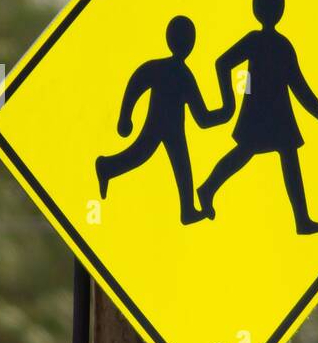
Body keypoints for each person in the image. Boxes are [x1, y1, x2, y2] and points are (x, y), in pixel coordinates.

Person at [197, 0, 318, 235]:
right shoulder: (269, 42)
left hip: (274, 113)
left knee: (277, 155)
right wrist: (229, 102)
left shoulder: (278, 44)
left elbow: (296, 82)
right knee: (250, 154)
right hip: (262, 112)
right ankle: (207, 188)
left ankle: (301, 220)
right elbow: (223, 63)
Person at [95, 15, 225, 224]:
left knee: (167, 161)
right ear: (191, 43)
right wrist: (124, 116)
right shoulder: (181, 74)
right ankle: (106, 167)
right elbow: (202, 117)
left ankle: (187, 209)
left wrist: (224, 114)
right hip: (160, 126)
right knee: (146, 155)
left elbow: (201, 117)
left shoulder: (169, 70)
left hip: (171, 128)